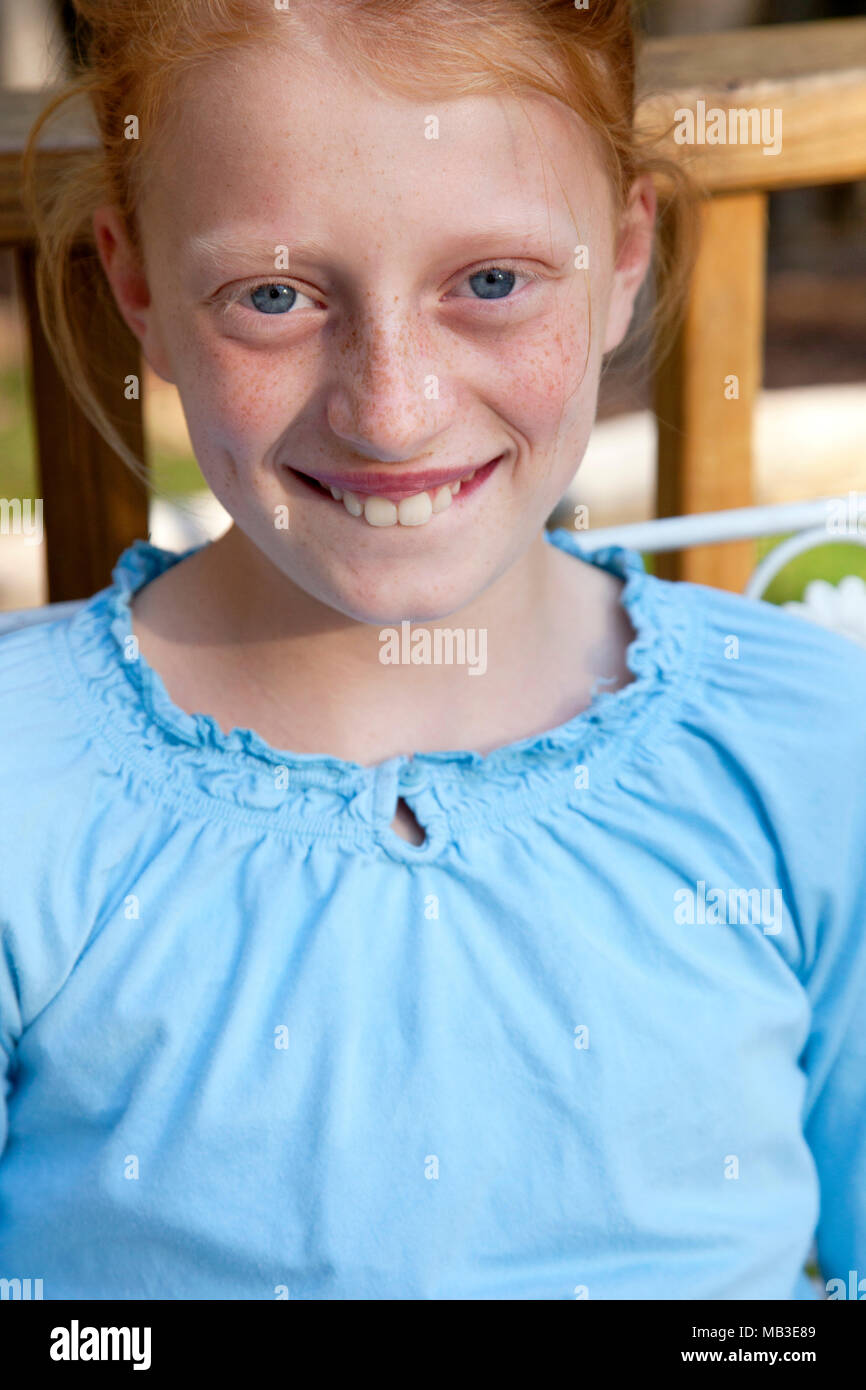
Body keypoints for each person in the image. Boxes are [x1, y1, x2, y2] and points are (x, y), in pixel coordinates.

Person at [1, 0, 864, 1300]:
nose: (391, 414)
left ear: (624, 251)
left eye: (492, 282)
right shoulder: (24, 781)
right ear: (141, 290)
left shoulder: (814, 747)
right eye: (275, 295)